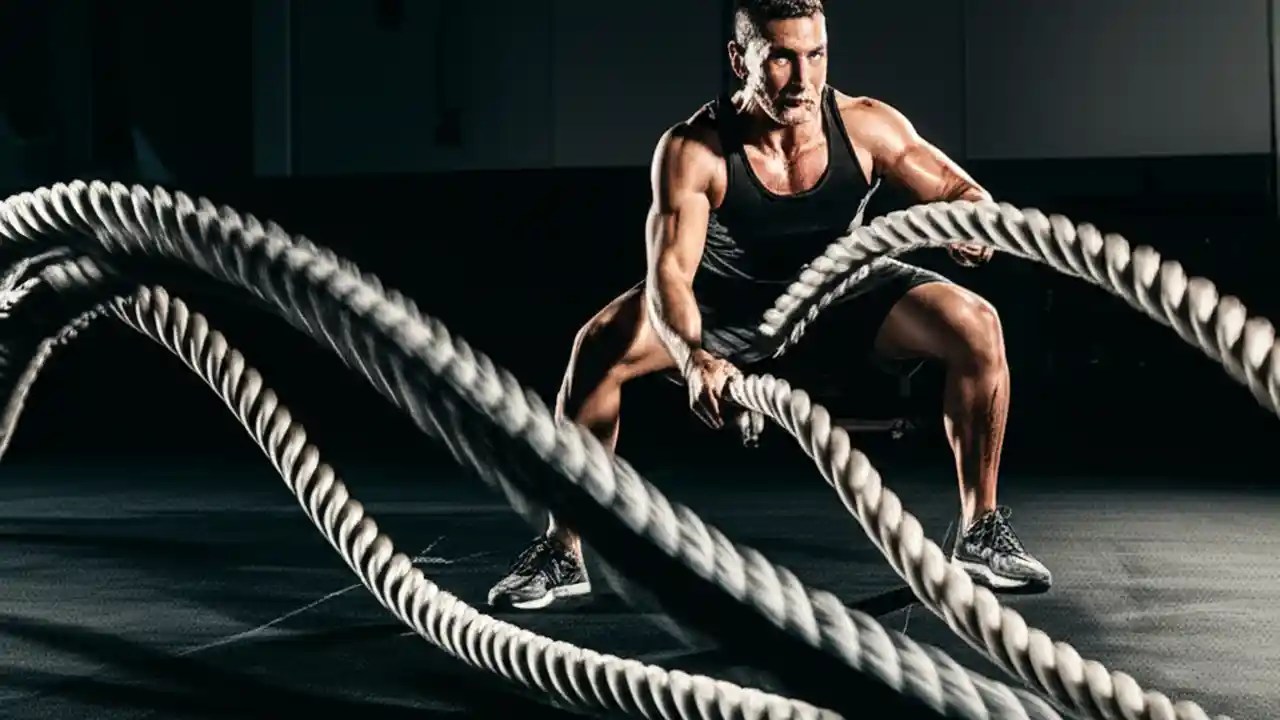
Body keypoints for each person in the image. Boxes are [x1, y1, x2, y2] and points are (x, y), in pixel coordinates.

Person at [487, 0, 1052, 610]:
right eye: (781, 57)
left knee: (976, 325)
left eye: (815, 55)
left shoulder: (865, 126)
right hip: (727, 307)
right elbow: (671, 273)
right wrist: (693, 355)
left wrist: (972, 224)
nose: (804, 79)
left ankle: (980, 530)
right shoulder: (694, 148)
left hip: (843, 295)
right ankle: (561, 549)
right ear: (740, 59)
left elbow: (955, 188)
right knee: (598, 346)